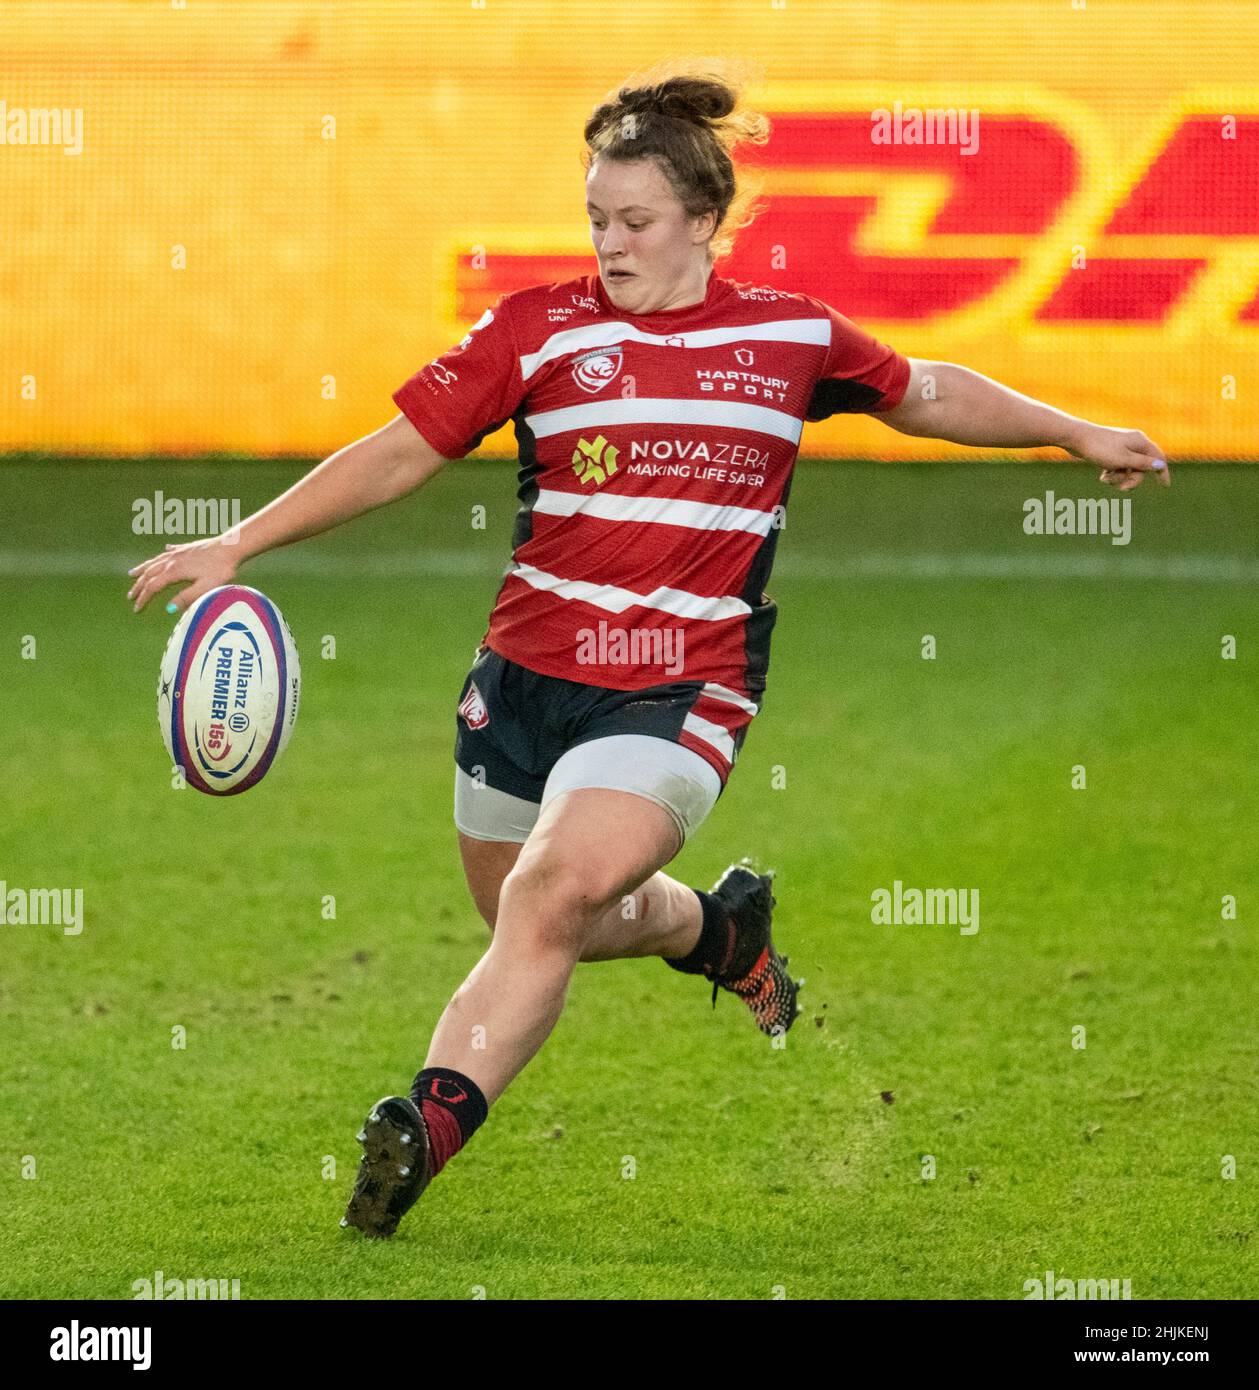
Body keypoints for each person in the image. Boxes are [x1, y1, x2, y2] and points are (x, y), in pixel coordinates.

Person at [127, 65, 1170, 1241]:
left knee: (550, 891)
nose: (608, 243)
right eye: (594, 220)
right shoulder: (536, 328)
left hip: (682, 687)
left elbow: (924, 392)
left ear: (702, 223)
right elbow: (401, 450)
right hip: (519, 687)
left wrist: (1071, 428)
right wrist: (240, 541)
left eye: (634, 222)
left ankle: (425, 1126)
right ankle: (717, 932)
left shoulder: (786, 335)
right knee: (541, 917)